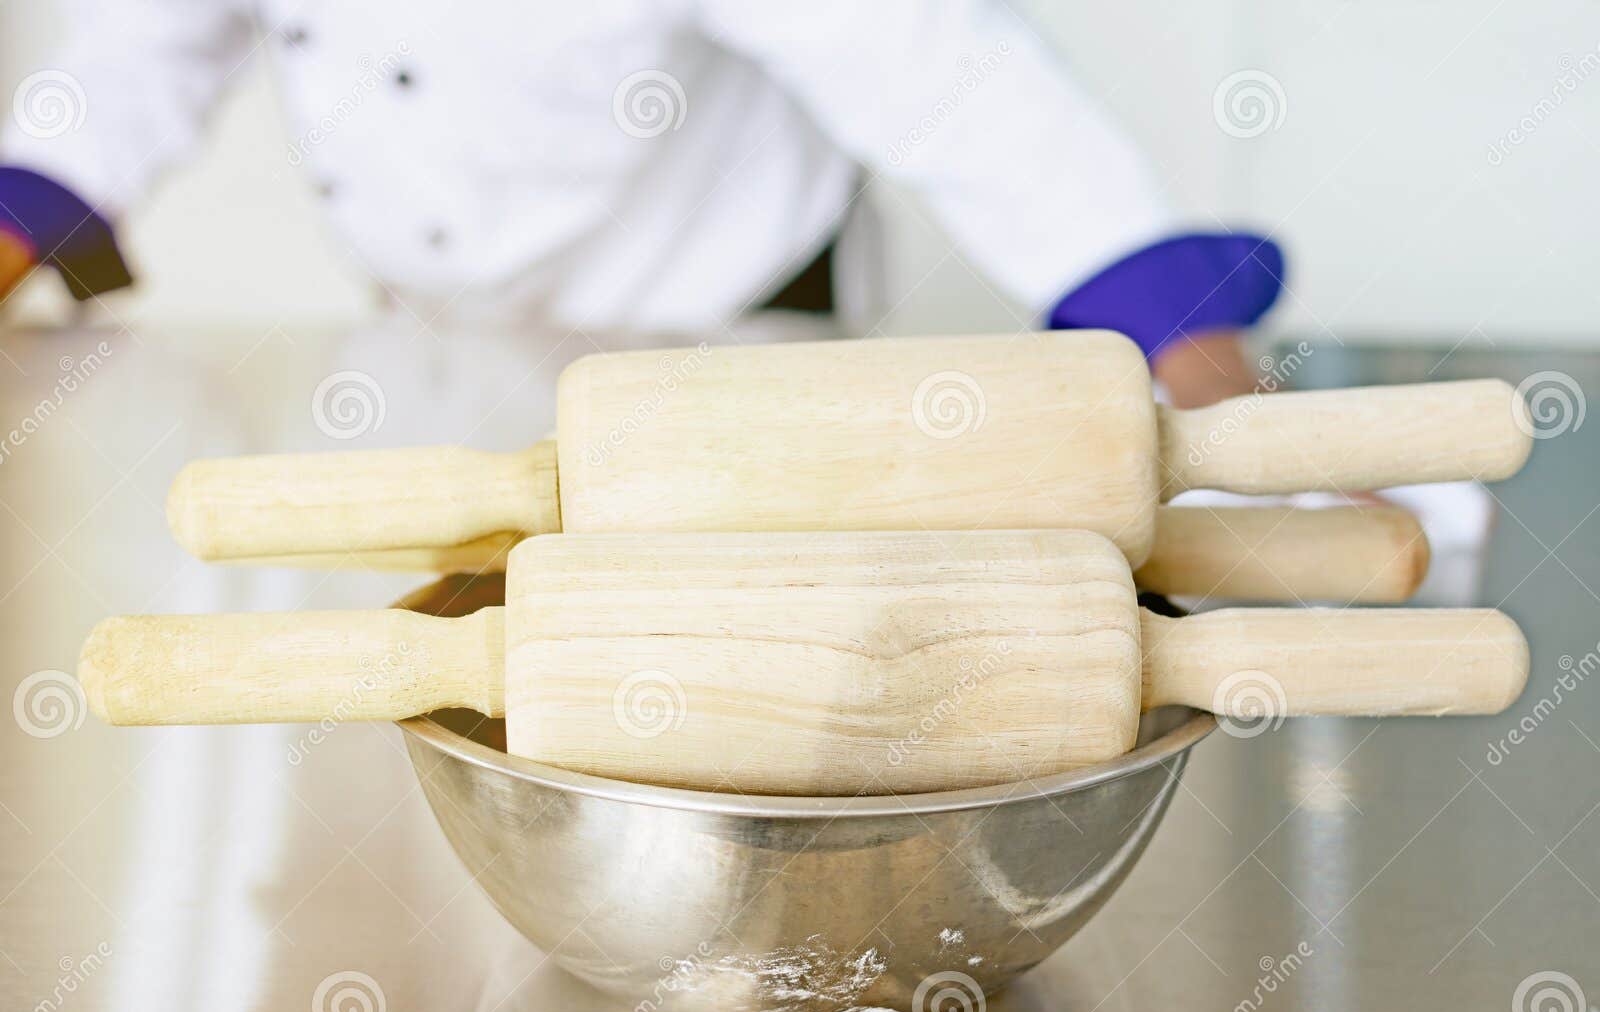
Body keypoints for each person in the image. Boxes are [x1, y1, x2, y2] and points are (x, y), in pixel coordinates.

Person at [1, 0, 1282, 408]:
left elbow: (942, 71)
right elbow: (132, 60)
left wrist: (1179, 340)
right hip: (435, 342)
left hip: (730, 341)